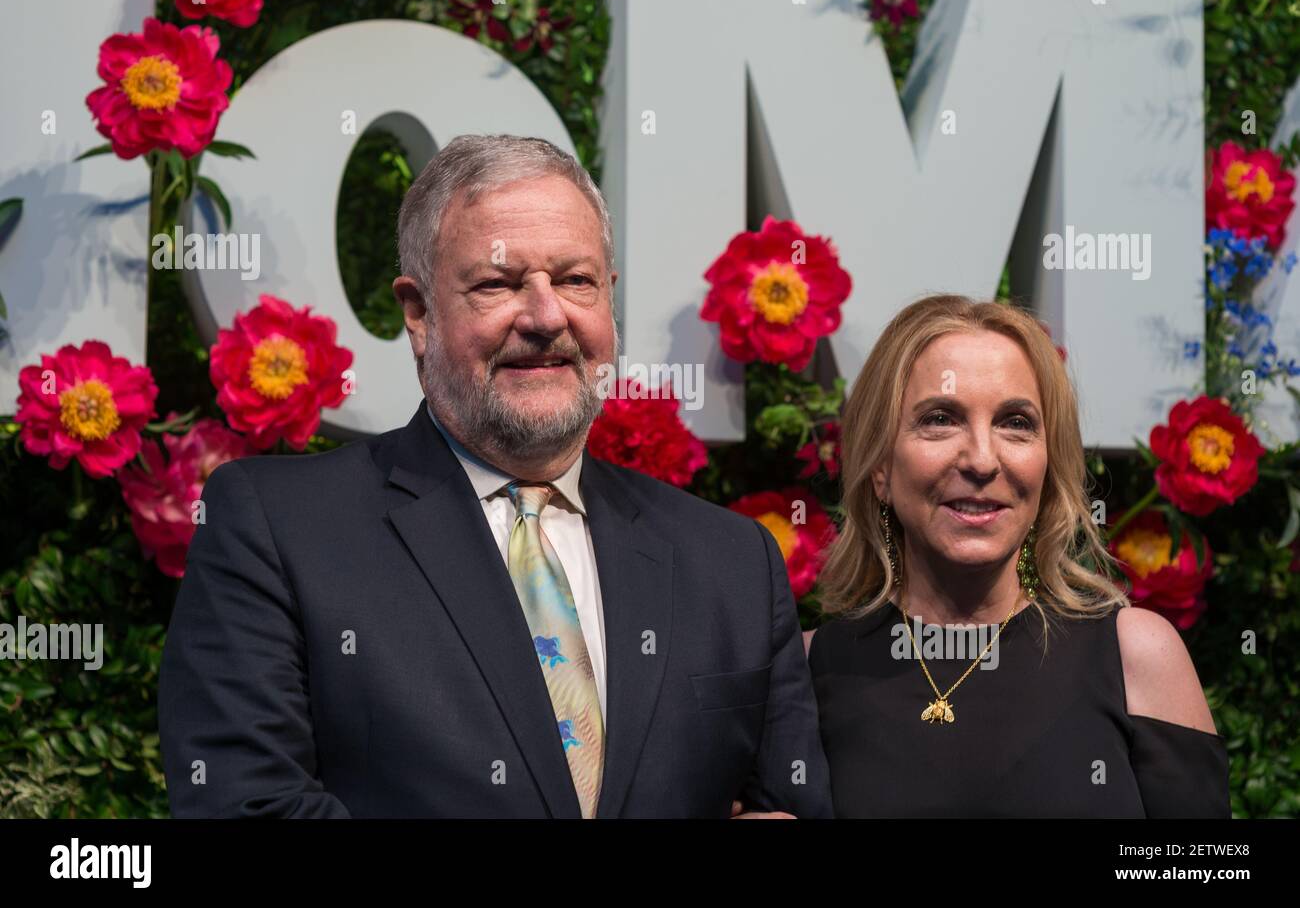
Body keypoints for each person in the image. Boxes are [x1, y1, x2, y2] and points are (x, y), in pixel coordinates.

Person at [158, 134, 831, 818]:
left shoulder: (734, 563)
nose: (546, 317)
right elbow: (248, 808)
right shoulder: (279, 528)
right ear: (417, 314)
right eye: (497, 285)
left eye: (575, 280)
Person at [805, 294, 1230, 817]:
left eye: (1016, 422)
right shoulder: (805, 671)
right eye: (940, 418)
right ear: (880, 469)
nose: (982, 459)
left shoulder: (1135, 656)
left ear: (1048, 467)